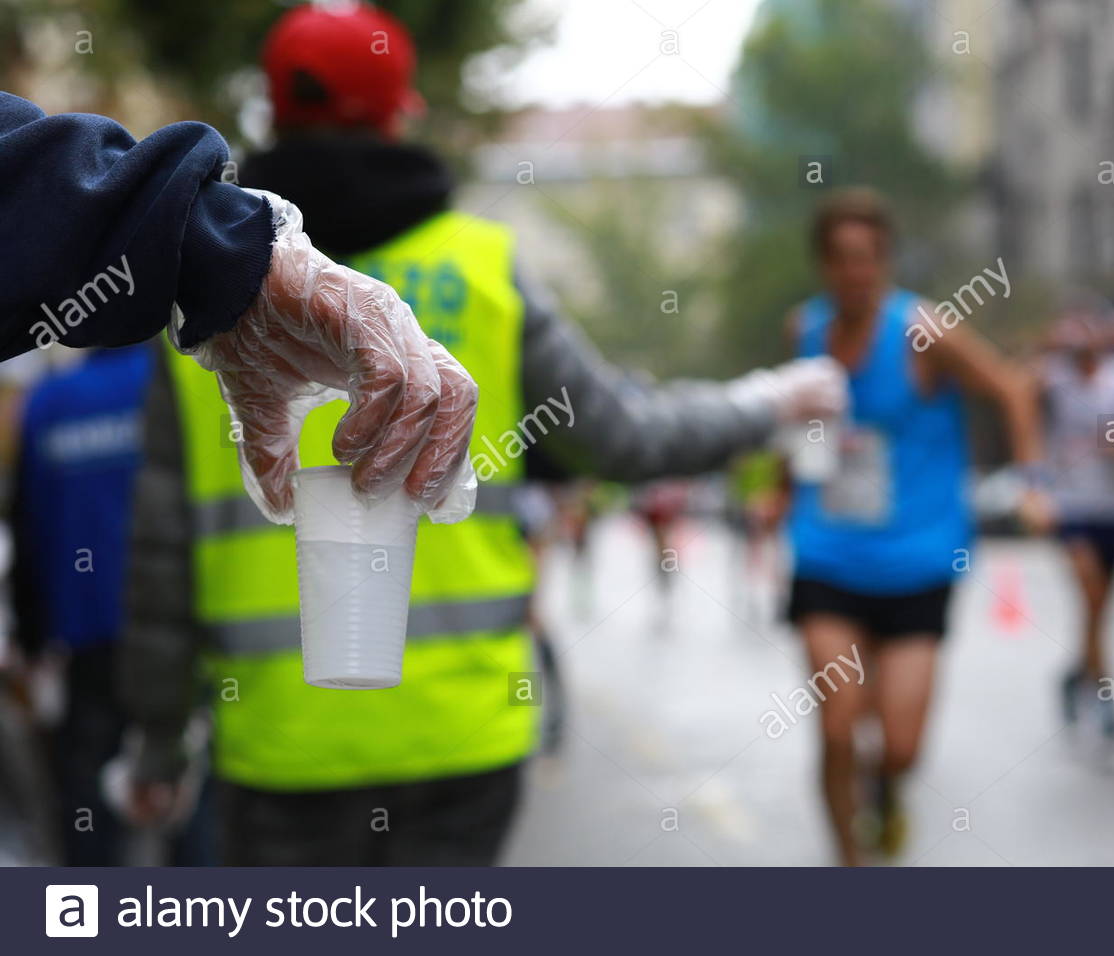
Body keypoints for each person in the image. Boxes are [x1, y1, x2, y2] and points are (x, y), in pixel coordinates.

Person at [120, 2, 845, 867]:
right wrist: (769, 402)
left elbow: (160, 557)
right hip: (464, 738)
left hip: (281, 745)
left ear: (272, 114)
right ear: (398, 115)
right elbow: (626, 438)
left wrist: (158, 747)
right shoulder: (486, 269)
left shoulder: (205, 302)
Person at [0, 91, 477, 520]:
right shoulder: (487, 258)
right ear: (393, 119)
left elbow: (153, 515)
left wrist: (215, 246)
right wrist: (209, 243)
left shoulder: (188, 297)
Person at [782, 189, 1051, 866]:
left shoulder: (924, 332)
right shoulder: (804, 333)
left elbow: (1013, 389)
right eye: (842, 259)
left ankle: (885, 791)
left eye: (869, 259)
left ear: (886, 262)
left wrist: (1032, 485)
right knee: (839, 729)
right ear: (823, 264)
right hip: (826, 556)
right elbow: (802, 428)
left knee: (899, 748)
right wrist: (779, 489)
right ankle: (848, 866)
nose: (856, 273)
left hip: (918, 562)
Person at [8, 345, 212, 864]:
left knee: (87, 807)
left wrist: (32, 635)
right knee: (193, 796)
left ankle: (88, 926)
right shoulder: (185, 383)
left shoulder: (51, 402)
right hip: (182, 636)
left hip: (90, 636)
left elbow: (31, 526)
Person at [1036, 306, 1114, 737]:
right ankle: (1105, 696)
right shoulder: (1051, 378)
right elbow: (1012, 391)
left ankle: (1074, 675)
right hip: (1071, 509)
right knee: (1090, 596)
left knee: (1099, 612)